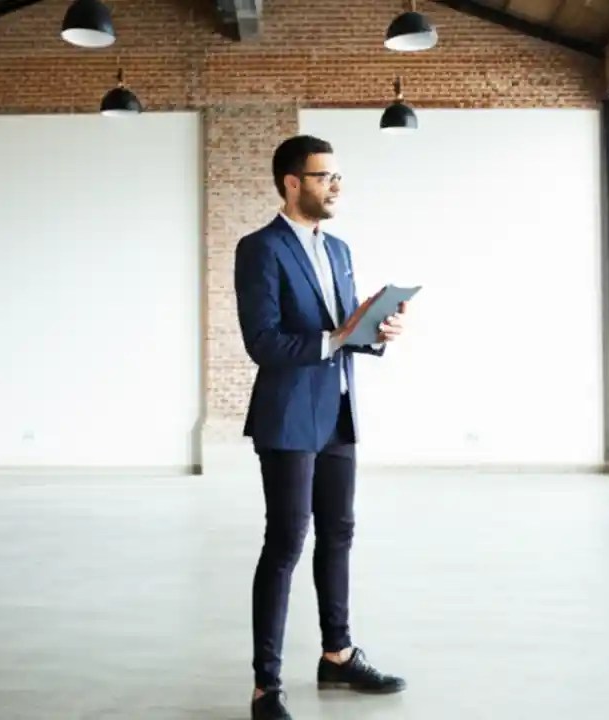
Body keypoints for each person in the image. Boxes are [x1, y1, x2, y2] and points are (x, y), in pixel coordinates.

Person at [234, 134, 408, 720]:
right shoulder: (258, 249)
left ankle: (337, 655)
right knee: (285, 545)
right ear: (290, 182)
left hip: (337, 411)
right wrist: (334, 339)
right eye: (322, 176)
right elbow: (262, 342)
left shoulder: (339, 250)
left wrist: (375, 334)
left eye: (337, 177)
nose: (334, 186)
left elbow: (345, 329)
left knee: (339, 534)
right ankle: (266, 686)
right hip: (287, 417)